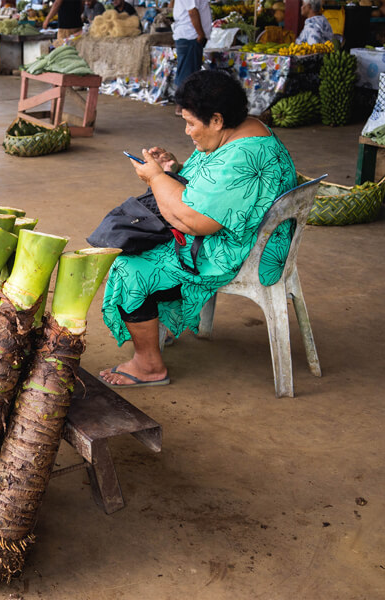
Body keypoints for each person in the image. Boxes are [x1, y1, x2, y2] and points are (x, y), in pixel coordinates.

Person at [98, 70, 297, 388]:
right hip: (252, 235)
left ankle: (148, 365)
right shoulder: (246, 130)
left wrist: (156, 179)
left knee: (127, 263)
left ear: (217, 120)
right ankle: (156, 326)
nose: (188, 132)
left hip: (241, 250)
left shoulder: (244, 156)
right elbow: (213, 188)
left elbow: (195, 219)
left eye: (192, 123)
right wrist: (172, 171)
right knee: (138, 241)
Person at [171, 0, 211, 109]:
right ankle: (182, 106)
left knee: (188, 71)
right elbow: (192, 12)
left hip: (190, 37)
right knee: (187, 74)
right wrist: (200, 34)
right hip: (190, 36)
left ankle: (183, 105)